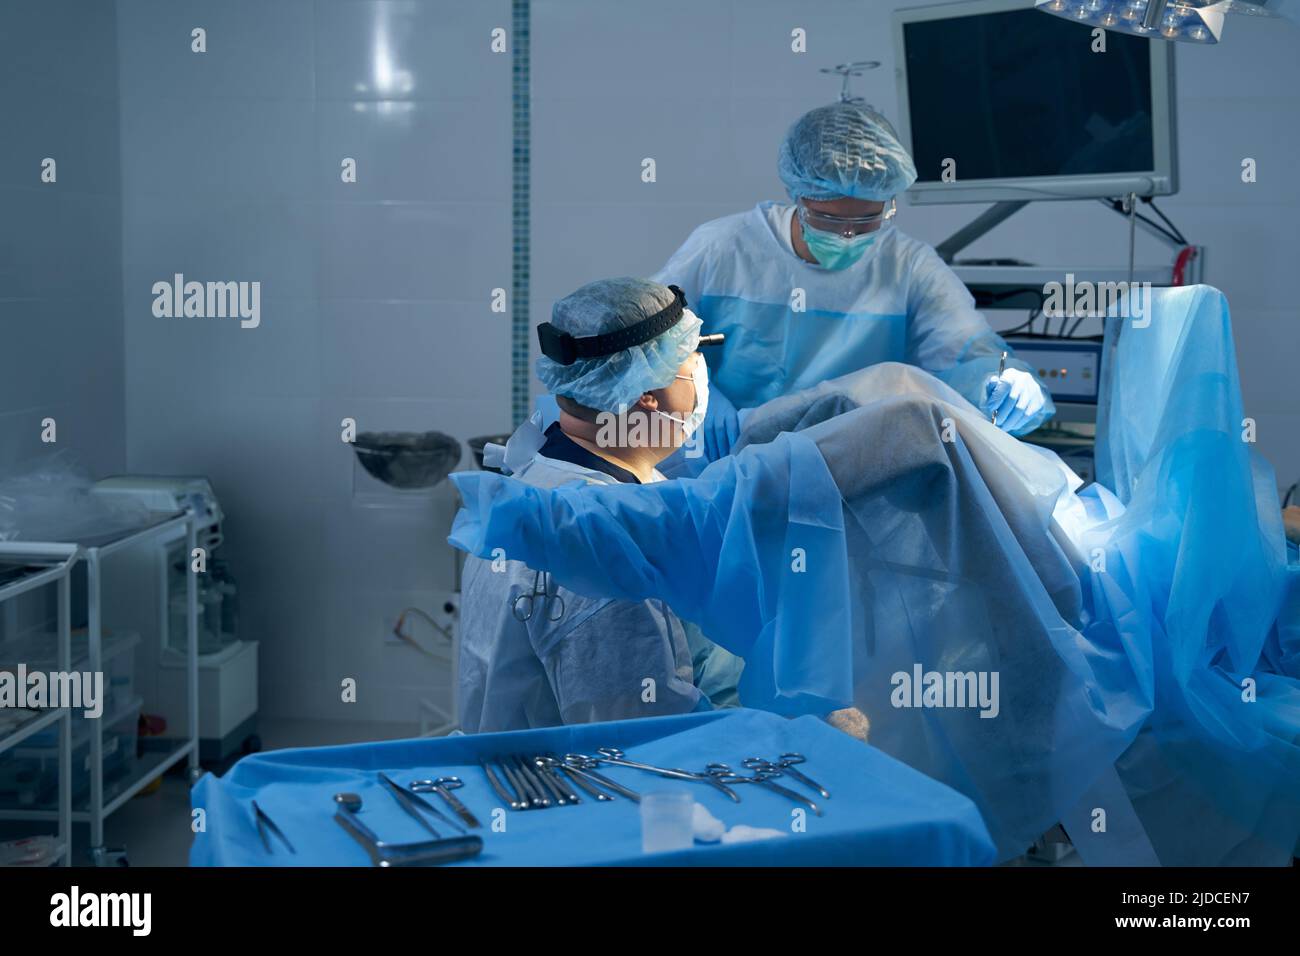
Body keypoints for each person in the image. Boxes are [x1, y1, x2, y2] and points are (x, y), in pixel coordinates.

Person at [653, 101, 1053, 463]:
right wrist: (702, 398)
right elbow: (650, 341)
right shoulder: (723, 248)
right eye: (828, 219)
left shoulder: (909, 266)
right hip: (723, 461)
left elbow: (966, 351)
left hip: (846, 466)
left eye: (866, 221)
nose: (847, 235)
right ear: (798, 196)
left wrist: (1000, 382)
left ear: (889, 204)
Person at [456, 277, 744, 732]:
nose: (704, 376)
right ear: (650, 394)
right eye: (694, 359)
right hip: (579, 796)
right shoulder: (603, 546)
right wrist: (785, 732)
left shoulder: (532, 482)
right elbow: (643, 738)